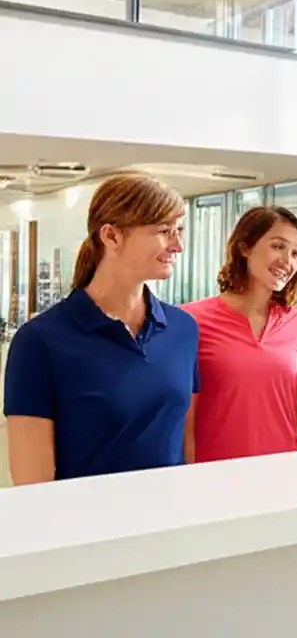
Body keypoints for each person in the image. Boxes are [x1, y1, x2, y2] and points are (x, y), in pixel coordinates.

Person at [4, 173, 197, 483]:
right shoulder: (40, 340)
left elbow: (187, 447)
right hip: (86, 527)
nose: (178, 245)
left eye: (179, 230)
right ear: (111, 236)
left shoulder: (183, 329)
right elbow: (31, 482)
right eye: (163, 231)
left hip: (171, 523)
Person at [183, 206, 297, 463]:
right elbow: (183, 418)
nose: (288, 261)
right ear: (245, 248)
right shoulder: (190, 321)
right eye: (278, 246)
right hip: (212, 474)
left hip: (282, 472)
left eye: (295, 253)